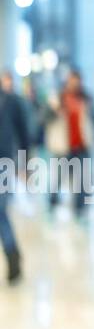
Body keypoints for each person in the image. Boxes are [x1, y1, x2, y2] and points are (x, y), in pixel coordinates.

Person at [48, 69, 94, 217]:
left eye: (77, 80)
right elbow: (44, 117)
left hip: (81, 144)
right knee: (58, 177)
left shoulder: (86, 98)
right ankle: (52, 201)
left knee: (82, 179)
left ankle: (79, 208)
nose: (74, 83)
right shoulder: (58, 97)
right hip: (63, 145)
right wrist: (55, 110)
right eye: (71, 80)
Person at [0, 69, 30, 282]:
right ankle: (13, 253)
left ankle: (12, 254)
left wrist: (24, 164)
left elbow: (23, 134)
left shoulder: (11, 102)